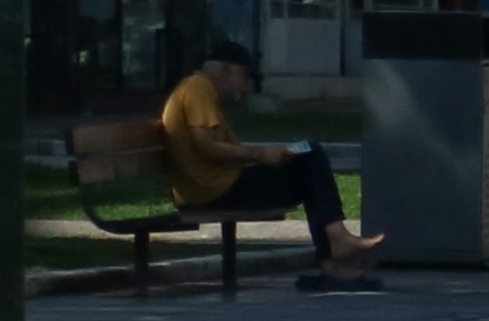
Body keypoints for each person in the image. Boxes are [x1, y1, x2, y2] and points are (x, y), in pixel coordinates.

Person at [160, 37, 376, 288]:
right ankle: (336, 248)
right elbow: (205, 146)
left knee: (308, 156)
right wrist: (261, 156)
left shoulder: (200, 91)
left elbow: (217, 148)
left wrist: (273, 154)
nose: (246, 84)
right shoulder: (197, 87)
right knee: (311, 155)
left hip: (216, 186)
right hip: (213, 190)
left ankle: (335, 256)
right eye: (244, 75)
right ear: (226, 70)